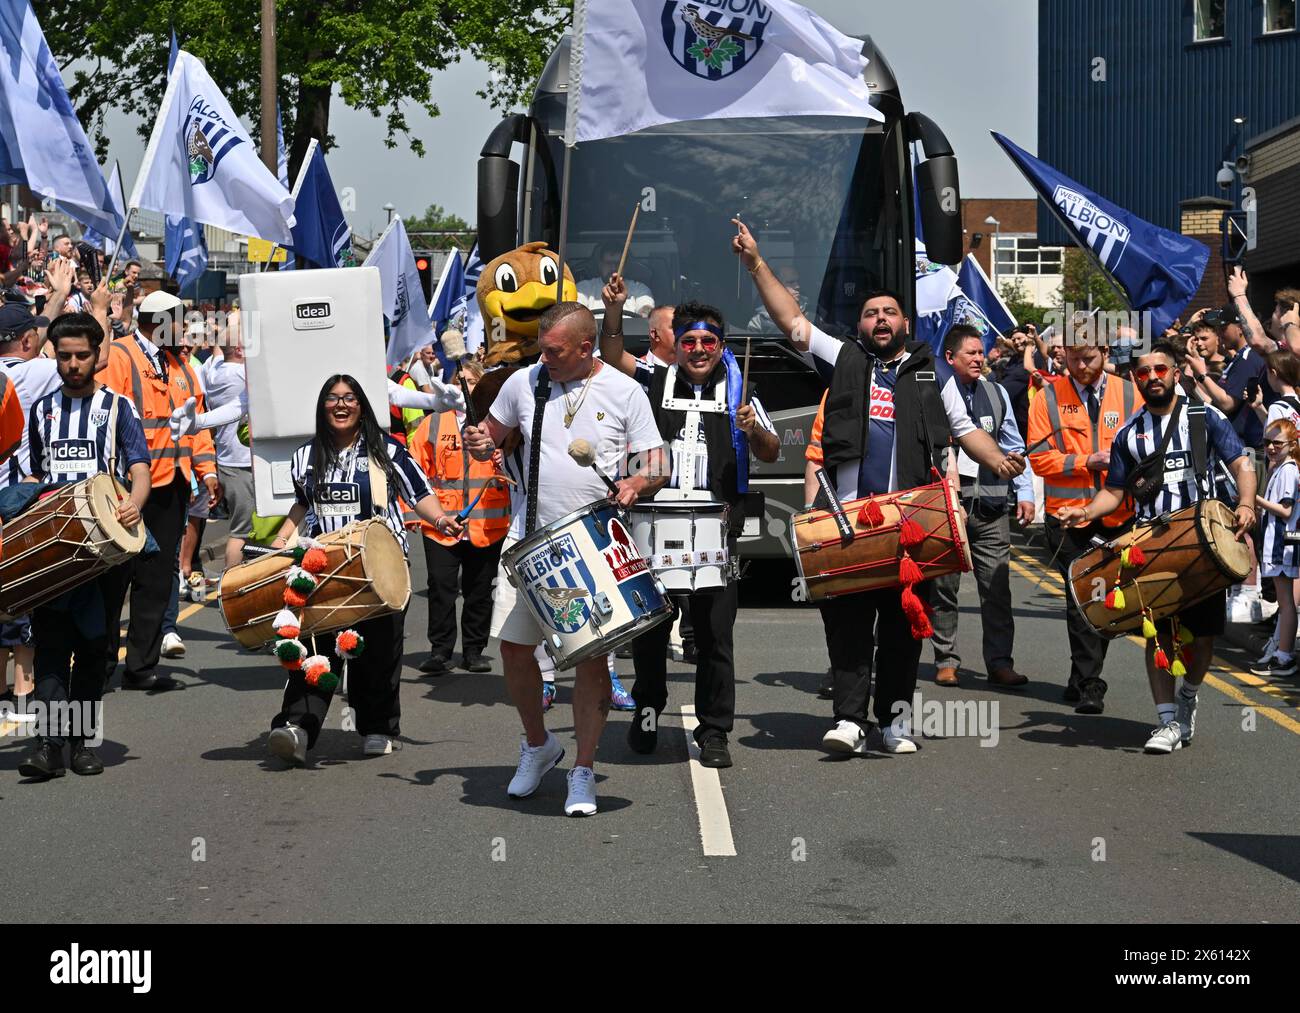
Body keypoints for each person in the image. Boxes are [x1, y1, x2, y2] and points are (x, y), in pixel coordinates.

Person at [731, 220, 1025, 756]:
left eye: (889, 312)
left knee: (903, 625)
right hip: (848, 520)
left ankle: (893, 724)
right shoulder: (843, 359)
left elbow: (967, 432)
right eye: (871, 314)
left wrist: (1001, 462)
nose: (881, 319)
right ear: (860, 325)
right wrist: (755, 263)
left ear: (905, 323)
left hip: (911, 523)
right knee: (846, 626)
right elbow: (791, 321)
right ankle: (848, 720)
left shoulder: (931, 373)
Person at [462, 302, 666, 816]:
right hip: (528, 539)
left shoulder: (624, 391)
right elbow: (490, 440)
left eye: (554, 351)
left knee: (591, 657)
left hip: (596, 542)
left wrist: (637, 482)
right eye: (542, 349)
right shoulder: (523, 382)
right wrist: (479, 442)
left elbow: (656, 463)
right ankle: (538, 744)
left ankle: (582, 769)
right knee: (512, 651)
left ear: (585, 347)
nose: (544, 358)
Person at [600, 283, 780, 768]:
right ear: (675, 345)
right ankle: (649, 709)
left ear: (720, 345)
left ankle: (715, 730)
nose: (699, 350)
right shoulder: (653, 382)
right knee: (652, 631)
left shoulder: (741, 390)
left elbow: (770, 451)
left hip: (716, 530)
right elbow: (612, 354)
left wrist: (754, 429)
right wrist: (614, 310)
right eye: (690, 342)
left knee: (716, 635)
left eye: (709, 342)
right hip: (653, 526)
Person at [1057, 343, 1256, 753]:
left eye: (1160, 369)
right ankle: (1166, 721)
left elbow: (1242, 465)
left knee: (1201, 639)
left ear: (1176, 373)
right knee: (1159, 632)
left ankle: (1188, 697)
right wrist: (1085, 511)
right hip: (1151, 545)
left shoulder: (1204, 418)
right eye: (1143, 372)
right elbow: (1114, 491)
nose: (1152, 377)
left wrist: (1248, 504)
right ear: (1135, 379)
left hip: (1204, 544)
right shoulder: (1129, 434)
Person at [265, 376, 463, 766]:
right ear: (322, 407)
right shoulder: (305, 456)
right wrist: (283, 538)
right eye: (333, 399)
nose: (341, 406)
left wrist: (440, 521)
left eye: (349, 398)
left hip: (382, 568)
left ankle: (377, 727)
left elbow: (418, 494)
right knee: (317, 649)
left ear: (362, 407)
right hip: (324, 569)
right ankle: (297, 726)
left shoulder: (388, 451)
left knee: (378, 651)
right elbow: (303, 505)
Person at [16, 312, 152, 780]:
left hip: (106, 548)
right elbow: (34, 476)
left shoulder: (119, 408)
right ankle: (49, 746)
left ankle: (83, 742)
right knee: (52, 646)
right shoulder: (42, 410)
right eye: (66, 355)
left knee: (95, 646)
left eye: (82, 355)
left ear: (98, 355)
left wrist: (134, 505)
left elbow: (139, 467)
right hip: (54, 551)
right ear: (54, 354)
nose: (74, 364)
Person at [100, 289, 221, 692]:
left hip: (170, 487)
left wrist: (207, 473)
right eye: (180, 322)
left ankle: (140, 668)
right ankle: (97, 668)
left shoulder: (182, 368)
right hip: (125, 486)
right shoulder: (119, 356)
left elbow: (198, 427)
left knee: (155, 581)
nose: (185, 330)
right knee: (114, 578)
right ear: (160, 323)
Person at [1028, 334, 1141, 714]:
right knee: (1082, 598)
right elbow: (1039, 459)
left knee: (1104, 597)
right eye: (1073, 359)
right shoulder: (1047, 397)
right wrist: (1085, 462)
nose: (1080, 367)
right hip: (1068, 517)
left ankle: (1081, 676)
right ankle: (1092, 683)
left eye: (1089, 358)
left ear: (1105, 354)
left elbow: (1145, 447)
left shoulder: (1129, 394)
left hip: (1117, 515)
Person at [931, 325, 1036, 689]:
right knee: (943, 587)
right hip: (948, 508)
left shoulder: (997, 393)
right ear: (949, 359)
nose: (978, 359)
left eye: (981, 353)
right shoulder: (934, 394)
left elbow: (1013, 445)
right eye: (970, 354)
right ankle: (946, 659)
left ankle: (1000, 662)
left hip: (991, 506)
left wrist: (1025, 493)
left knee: (997, 587)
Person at [406, 360, 510, 675]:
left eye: (470, 381)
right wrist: (413, 515)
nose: (462, 386)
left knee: (480, 589)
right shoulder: (433, 424)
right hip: (441, 524)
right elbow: (413, 472)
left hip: (487, 524)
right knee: (441, 587)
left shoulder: (501, 426)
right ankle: (440, 651)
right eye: (457, 380)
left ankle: (474, 651)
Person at [199, 310, 254, 571]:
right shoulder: (242, 375)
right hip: (242, 461)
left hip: (226, 459)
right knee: (241, 532)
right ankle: (230, 588)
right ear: (242, 351)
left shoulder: (213, 369)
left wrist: (235, 320)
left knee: (241, 527)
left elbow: (222, 347)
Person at [1252, 420, 1300, 677]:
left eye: (1277, 443)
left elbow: (1285, 510)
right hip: (1280, 542)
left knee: (1286, 604)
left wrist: (1254, 498)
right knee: (1285, 603)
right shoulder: (1282, 468)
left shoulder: (1289, 471)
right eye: (1267, 442)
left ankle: (1284, 656)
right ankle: (1282, 653)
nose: (1270, 447)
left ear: (1291, 446)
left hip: (1283, 544)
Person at [576, 244, 654, 318]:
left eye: (618, 263)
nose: (613, 268)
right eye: (608, 263)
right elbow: (577, 314)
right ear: (600, 265)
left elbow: (646, 307)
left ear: (625, 266)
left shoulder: (640, 289)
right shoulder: (583, 288)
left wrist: (645, 314)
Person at [746, 263, 806, 333]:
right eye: (791, 282)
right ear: (777, 287)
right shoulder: (759, 322)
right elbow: (751, 343)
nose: (797, 286)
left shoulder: (813, 313)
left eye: (797, 281)